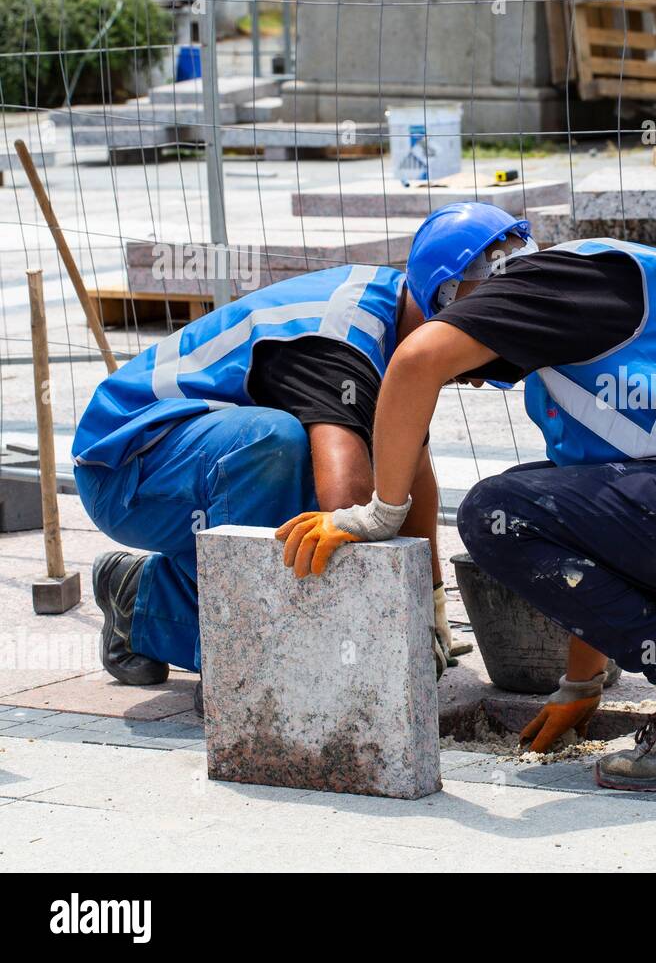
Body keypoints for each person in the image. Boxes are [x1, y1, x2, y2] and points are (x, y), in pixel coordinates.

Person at [278, 202, 656, 792]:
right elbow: (598, 549)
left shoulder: (556, 278)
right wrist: (580, 686)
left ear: (464, 294)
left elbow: (415, 361)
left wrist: (380, 513)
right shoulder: (575, 358)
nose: (474, 376)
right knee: (539, 506)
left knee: (494, 513)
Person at [70, 242, 506, 709]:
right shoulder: (341, 340)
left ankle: (141, 600)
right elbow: (349, 503)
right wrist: (374, 642)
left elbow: (411, 473)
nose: (479, 378)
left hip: (187, 461)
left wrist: (429, 603)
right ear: (444, 300)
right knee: (279, 447)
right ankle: (240, 670)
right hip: (125, 467)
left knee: (317, 479)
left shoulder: (400, 323)